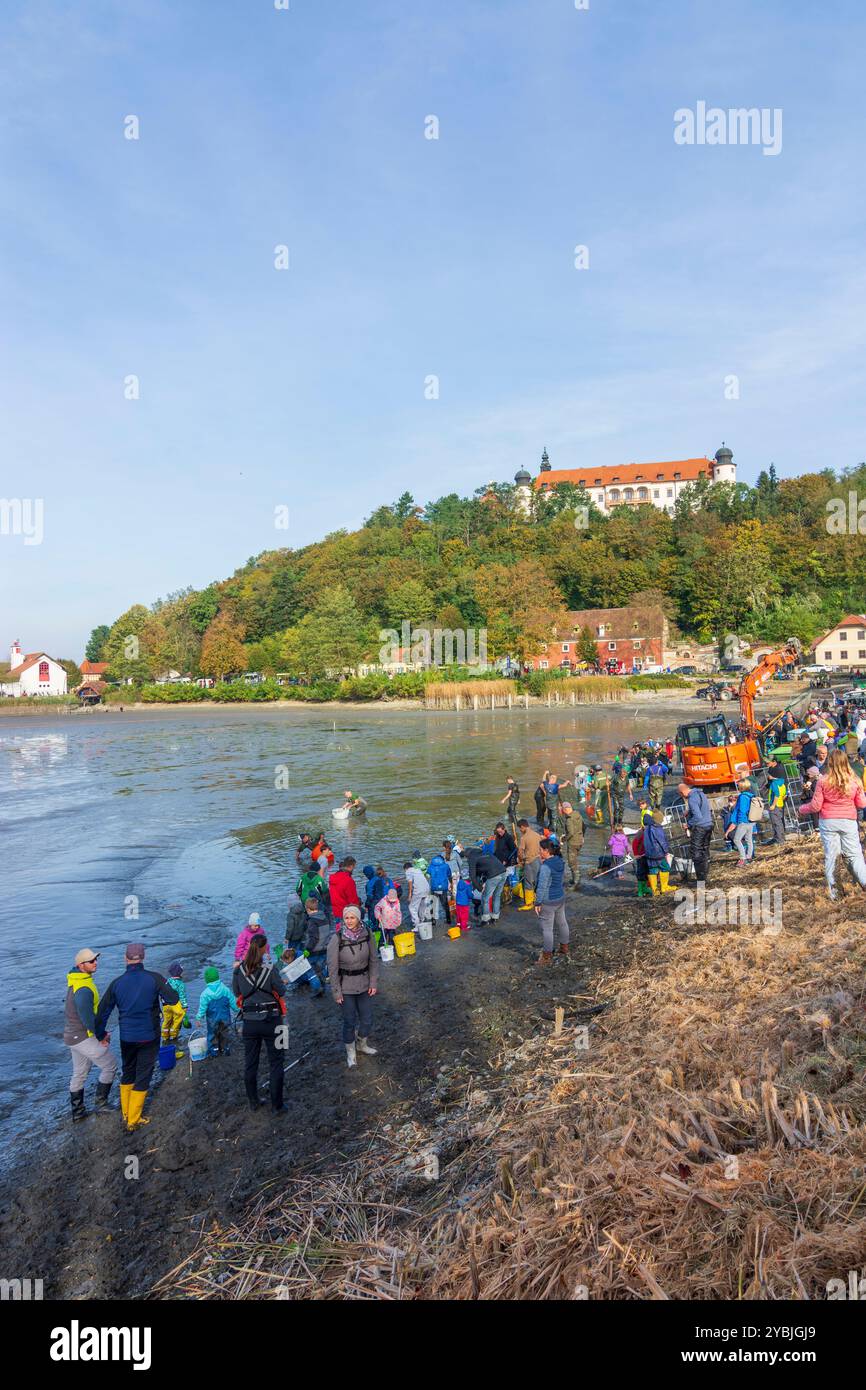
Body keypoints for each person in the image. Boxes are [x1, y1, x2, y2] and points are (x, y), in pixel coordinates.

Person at [94, 943, 179, 1132]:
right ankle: (133, 1119)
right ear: (143, 958)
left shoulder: (116, 983)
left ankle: (126, 1113)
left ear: (126, 959)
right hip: (149, 1035)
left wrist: (101, 1034)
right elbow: (173, 999)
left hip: (127, 1036)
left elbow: (101, 1013)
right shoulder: (154, 978)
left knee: (128, 1071)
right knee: (144, 1074)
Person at [798, 749, 866, 900]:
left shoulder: (823, 781)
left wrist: (801, 809)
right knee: (855, 855)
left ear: (830, 762)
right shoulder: (854, 780)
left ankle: (836, 895)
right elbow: (862, 803)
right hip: (848, 821)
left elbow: (815, 806)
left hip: (828, 822)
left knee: (832, 857)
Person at [232, 933, 287, 1113]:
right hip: (275, 1021)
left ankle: (254, 1102)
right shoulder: (270, 969)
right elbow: (282, 991)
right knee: (277, 1061)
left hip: (249, 1023)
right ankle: (277, 1106)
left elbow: (236, 992)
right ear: (264, 949)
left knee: (250, 1062)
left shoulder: (238, 970)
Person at [64, 948, 118, 1122]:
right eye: (91, 961)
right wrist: (101, 1035)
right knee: (110, 1065)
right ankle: (101, 1104)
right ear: (81, 965)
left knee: (79, 1073)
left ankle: (78, 1114)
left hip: (72, 1036)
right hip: (81, 1037)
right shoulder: (83, 989)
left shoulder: (77, 980)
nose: (96, 963)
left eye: (96, 960)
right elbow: (88, 1019)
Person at [327, 905, 379, 1068]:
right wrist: (336, 992)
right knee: (349, 1021)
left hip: (364, 984)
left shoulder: (367, 933)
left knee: (367, 1020)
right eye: (347, 918)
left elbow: (373, 960)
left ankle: (361, 1044)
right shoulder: (337, 938)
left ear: (358, 919)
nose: (349, 921)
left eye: (352, 917)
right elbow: (332, 967)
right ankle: (351, 1053)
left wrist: (373, 982)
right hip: (346, 987)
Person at [534, 839, 569, 964]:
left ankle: (547, 956)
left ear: (547, 851)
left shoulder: (545, 867)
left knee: (547, 929)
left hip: (548, 901)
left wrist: (537, 903)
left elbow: (541, 886)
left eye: (540, 850)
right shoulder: (559, 860)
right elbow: (560, 879)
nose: (539, 852)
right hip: (560, 897)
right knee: (562, 923)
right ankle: (564, 947)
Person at [196, 966, 239, 1055]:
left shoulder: (205, 994)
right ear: (218, 977)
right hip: (225, 1018)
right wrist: (237, 1010)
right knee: (225, 1033)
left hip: (212, 1020)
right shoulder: (225, 989)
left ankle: (214, 1051)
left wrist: (199, 1018)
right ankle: (225, 1049)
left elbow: (202, 1008)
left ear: (206, 980)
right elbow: (233, 1002)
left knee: (212, 1034)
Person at [678, 781, 714, 887]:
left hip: (700, 827)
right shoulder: (700, 793)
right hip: (709, 824)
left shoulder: (691, 799)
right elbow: (701, 809)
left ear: (682, 792)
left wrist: (688, 825)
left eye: (680, 794)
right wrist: (690, 812)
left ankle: (701, 881)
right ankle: (705, 877)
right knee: (705, 850)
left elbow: (698, 816)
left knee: (696, 853)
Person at [466, 844, 508, 923]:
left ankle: (485, 919)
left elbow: (472, 875)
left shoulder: (472, 857)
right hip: (503, 872)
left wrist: (479, 888)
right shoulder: (485, 853)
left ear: (468, 855)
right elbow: (481, 869)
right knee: (497, 895)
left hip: (494, 875)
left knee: (485, 898)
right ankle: (495, 917)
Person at [160, 961, 189, 1059]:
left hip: (166, 1005)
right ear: (180, 973)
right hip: (176, 1005)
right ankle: (173, 1034)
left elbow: (162, 992)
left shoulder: (167, 981)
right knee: (178, 1019)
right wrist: (185, 1006)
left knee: (167, 1020)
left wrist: (162, 1001)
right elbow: (182, 996)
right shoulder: (180, 984)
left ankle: (164, 1035)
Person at [643, 811, 675, 895]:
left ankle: (654, 890)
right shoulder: (657, 828)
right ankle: (664, 887)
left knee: (652, 870)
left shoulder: (646, 828)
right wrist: (666, 851)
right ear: (658, 820)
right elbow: (662, 841)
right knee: (665, 868)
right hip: (658, 853)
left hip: (649, 854)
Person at [725, 780, 756, 866]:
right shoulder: (750, 795)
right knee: (749, 840)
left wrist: (738, 822)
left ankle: (743, 858)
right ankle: (749, 857)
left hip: (743, 821)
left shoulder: (742, 797)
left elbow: (742, 810)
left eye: (738, 785)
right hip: (751, 821)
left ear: (742, 786)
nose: (737, 787)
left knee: (736, 839)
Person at [516, 818, 543, 910]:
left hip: (529, 861)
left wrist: (520, 861)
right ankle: (538, 899)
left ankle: (528, 903)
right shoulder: (537, 835)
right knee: (538, 880)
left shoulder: (524, 837)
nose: (520, 831)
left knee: (528, 882)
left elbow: (520, 852)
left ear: (523, 827)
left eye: (520, 829)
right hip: (539, 859)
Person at [557, 800, 583, 887]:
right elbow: (584, 826)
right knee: (575, 860)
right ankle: (575, 878)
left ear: (565, 809)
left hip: (573, 842)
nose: (562, 811)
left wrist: (564, 839)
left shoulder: (569, 819)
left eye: (562, 809)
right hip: (579, 840)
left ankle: (576, 882)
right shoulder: (578, 815)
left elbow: (571, 832)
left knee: (571, 862)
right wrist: (582, 836)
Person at [329, 857, 360, 922]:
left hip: (335, 911)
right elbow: (353, 900)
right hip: (346, 913)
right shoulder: (348, 880)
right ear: (351, 866)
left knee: (338, 930)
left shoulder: (333, 877)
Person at [403, 860, 432, 930]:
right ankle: (422, 920)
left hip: (419, 890)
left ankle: (417, 925)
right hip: (427, 888)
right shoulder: (418, 870)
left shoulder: (408, 871)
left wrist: (409, 895)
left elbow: (410, 883)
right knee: (422, 905)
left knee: (412, 908)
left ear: (406, 868)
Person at [765, 762, 788, 845]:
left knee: (776, 823)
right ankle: (782, 838)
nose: (767, 775)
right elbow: (784, 794)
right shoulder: (781, 782)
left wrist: (773, 805)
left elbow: (777, 795)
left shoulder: (774, 783)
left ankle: (779, 840)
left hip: (775, 806)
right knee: (780, 823)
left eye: (769, 774)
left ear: (772, 775)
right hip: (780, 804)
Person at [427, 848, 452, 924]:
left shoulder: (431, 866)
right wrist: (451, 884)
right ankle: (448, 919)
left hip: (434, 887)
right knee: (445, 903)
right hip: (443, 887)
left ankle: (433, 920)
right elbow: (449, 875)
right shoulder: (446, 866)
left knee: (433, 903)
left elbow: (428, 875)